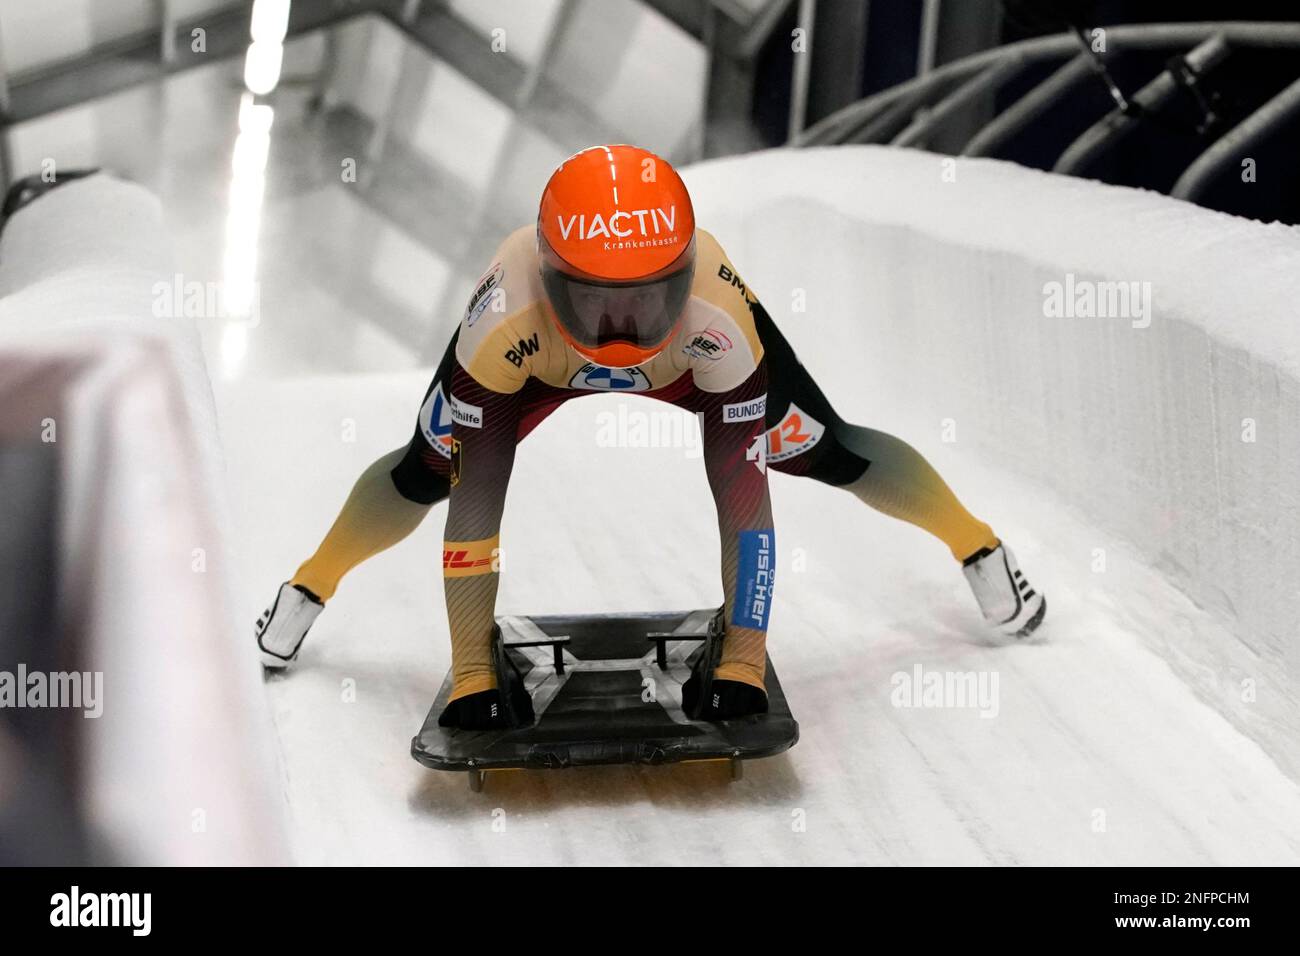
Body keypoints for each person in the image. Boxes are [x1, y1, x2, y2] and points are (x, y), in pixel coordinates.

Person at [254, 144, 1046, 729]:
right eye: (596, 303)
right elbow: (477, 505)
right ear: (550, 275)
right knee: (429, 472)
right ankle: (309, 585)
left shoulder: (717, 317)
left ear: (686, 270)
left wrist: (741, 664)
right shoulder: (500, 321)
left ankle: (977, 545)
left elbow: (743, 501)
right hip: (539, 362)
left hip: (659, 357)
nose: (621, 334)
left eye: (646, 299)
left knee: (823, 448)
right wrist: (469, 676)